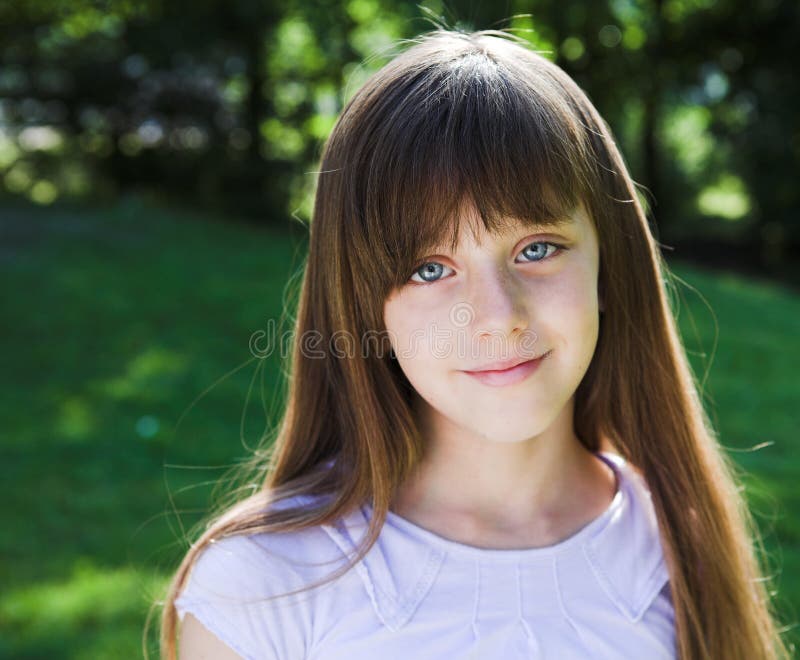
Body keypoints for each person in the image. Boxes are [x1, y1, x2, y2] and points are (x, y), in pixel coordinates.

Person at [152, 28, 790, 659]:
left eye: (536, 249)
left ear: (608, 266)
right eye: (430, 268)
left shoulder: (678, 541)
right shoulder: (262, 589)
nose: (497, 317)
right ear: (365, 307)